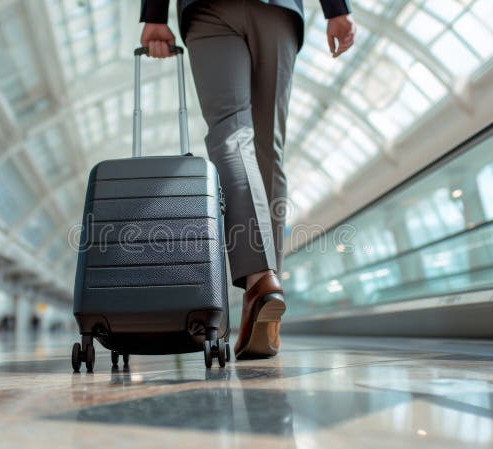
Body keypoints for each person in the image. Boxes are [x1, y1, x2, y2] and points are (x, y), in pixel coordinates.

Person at [140, 0, 355, 359]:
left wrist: (154, 16)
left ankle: (259, 279)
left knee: (231, 135)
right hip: (278, 9)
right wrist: (336, 10)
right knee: (269, 149)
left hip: (210, 10)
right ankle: (269, 306)